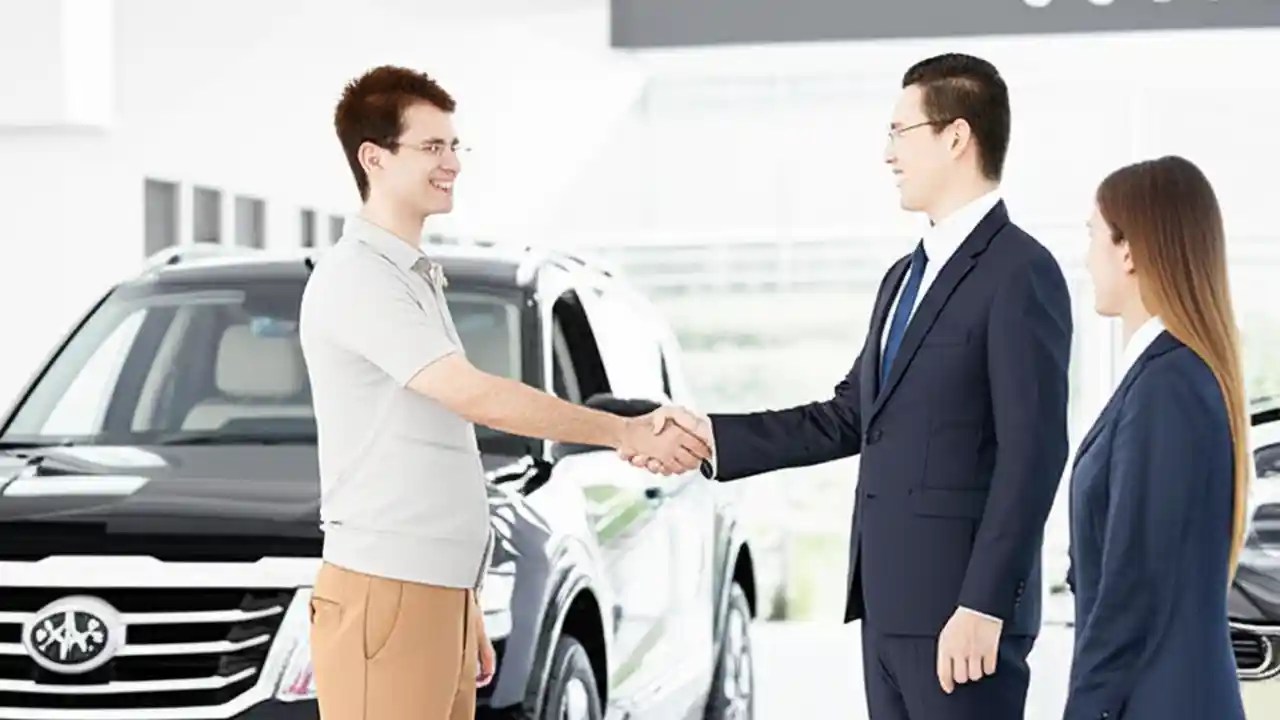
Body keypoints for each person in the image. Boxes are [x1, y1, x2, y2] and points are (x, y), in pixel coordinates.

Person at [628, 53, 1073, 720]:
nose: (888, 154)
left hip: (962, 619)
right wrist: (710, 435)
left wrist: (983, 605)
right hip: (889, 609)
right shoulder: (904, 277)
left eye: (900, 132)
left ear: (955, 136)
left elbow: (1033, 454)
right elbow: (850, 416)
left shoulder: (1020, 272)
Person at [298, 65, 710, 720]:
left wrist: (460, 595)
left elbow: (427, 443)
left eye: (454, 145)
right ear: (374, 158)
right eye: (432, 146)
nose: (453, 163)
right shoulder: (360, 279)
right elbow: (472, 396)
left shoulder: (410, 275)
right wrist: (624, 432)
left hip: (428, 591)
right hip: (390, 592)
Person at [1063, 155, 1249, 720]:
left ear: (1128, 250)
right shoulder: (1165, 378)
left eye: (1093, 235)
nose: (1087, 257)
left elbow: (1133, 588)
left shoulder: (1167, 385)